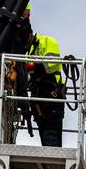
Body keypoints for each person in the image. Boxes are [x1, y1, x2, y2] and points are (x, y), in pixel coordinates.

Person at [16, 18, 64, 147]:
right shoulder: (27, 51)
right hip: (38, 95)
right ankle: (49, 151)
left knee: (52, 128)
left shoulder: (47, 42)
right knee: (42, 124)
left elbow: (52, 66)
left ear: (30, 34)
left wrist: (33, 66)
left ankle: (53, 154)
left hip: (52, 92)